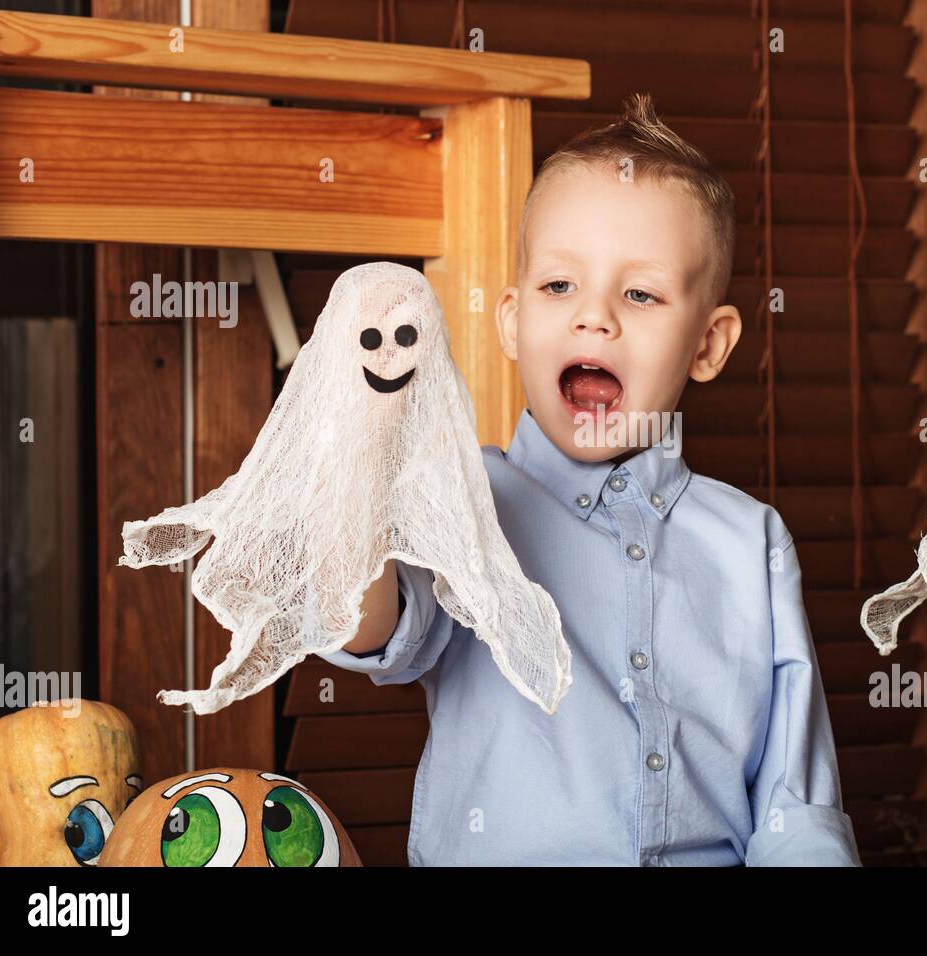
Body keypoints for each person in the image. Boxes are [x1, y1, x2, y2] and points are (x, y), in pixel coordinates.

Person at [321, 92, 861, 867]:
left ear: (709, 344)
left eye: (639, 294)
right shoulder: (464, 496)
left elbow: (795, 806)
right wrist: (365, 440)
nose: (595, 318)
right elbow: (367, 629)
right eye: (559, 286)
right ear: (512, 322)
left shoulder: (752, 540)